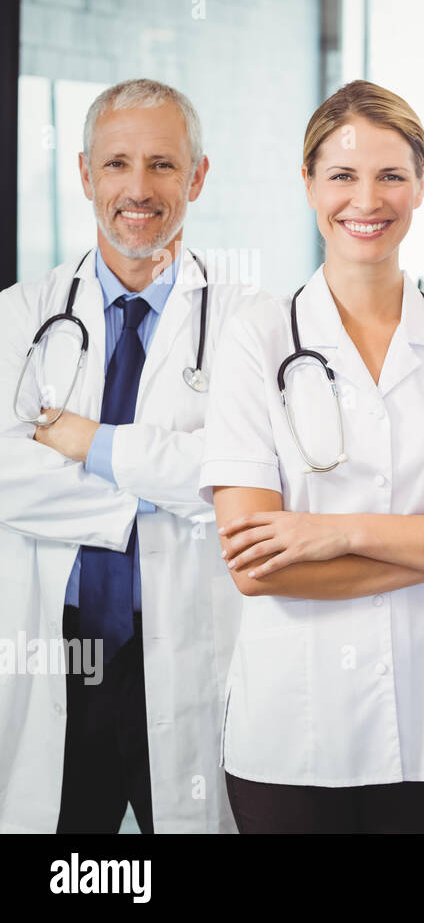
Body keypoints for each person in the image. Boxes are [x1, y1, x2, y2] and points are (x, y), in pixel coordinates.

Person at [199, 80, 424, 833]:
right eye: (342, 175)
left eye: (390, 175)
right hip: (292, 738)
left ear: (420, 185)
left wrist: (337, 532)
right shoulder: (257, 340)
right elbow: (255, 566)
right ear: (308, 181)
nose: (366, 200)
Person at [0, 79, 257, 832]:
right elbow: (5, 475)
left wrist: (88, 444)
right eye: (116, 165)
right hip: (59, 638)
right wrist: (158, 485)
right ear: (85, 174)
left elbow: (242, 478)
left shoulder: (251, 322)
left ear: (198, 177)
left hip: (185, 644)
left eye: (162, 165)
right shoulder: (19, 316)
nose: (137, 190)